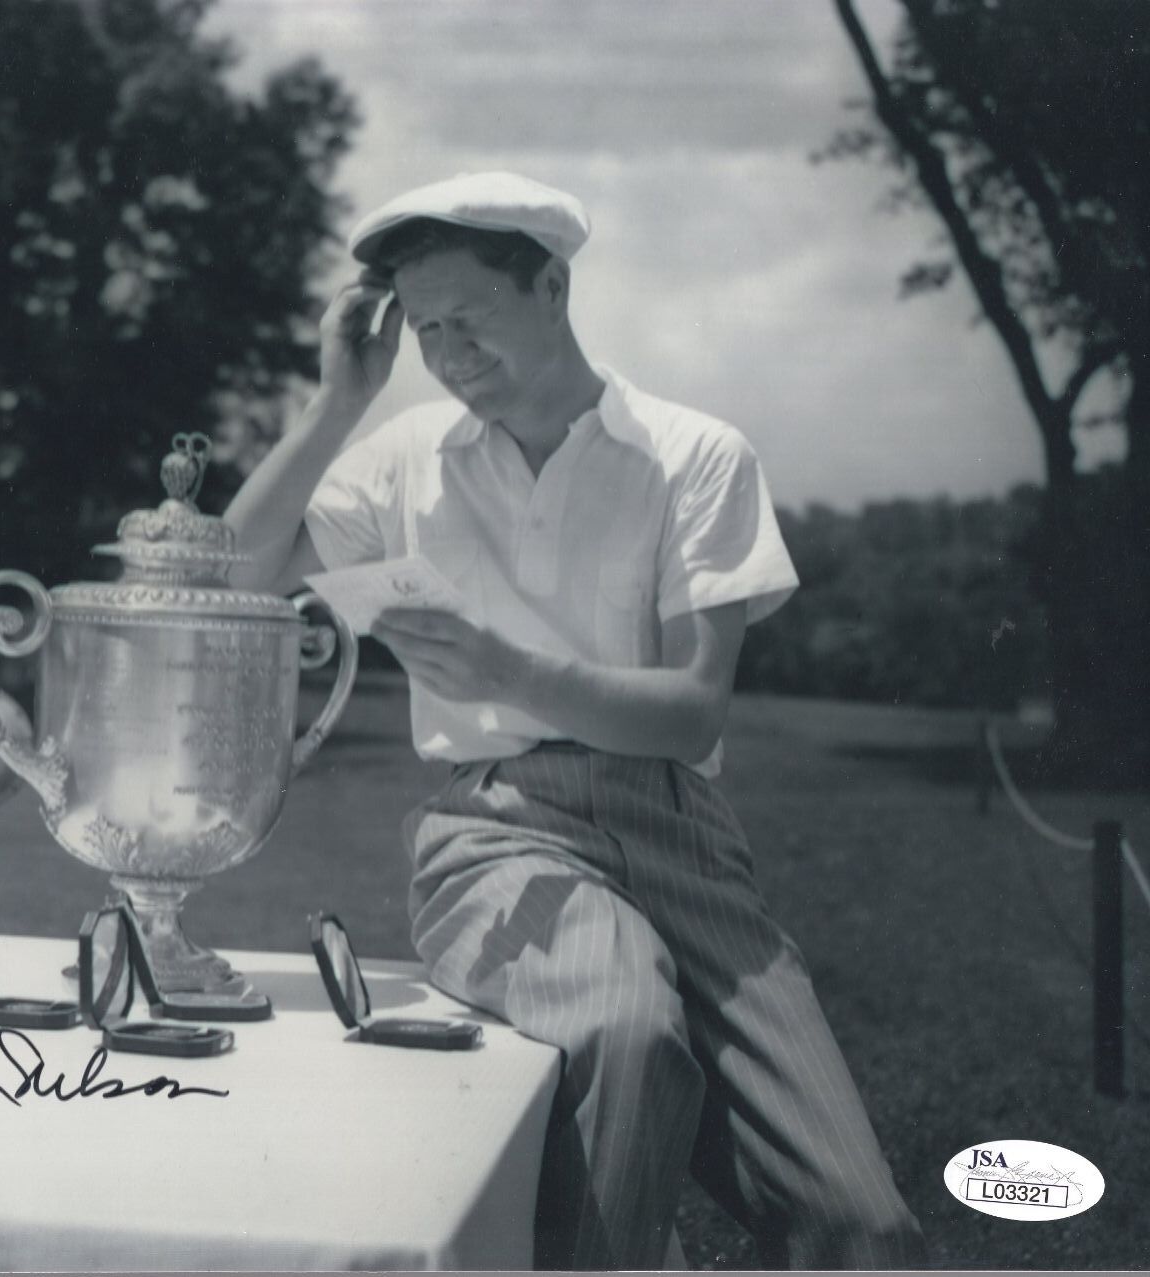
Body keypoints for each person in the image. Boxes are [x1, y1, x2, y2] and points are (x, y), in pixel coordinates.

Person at [224, 171, 925, 1270]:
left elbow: (691, 716)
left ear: (550, 284)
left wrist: (507, 665)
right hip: (496, 832)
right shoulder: (404, 457)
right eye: (423, 330)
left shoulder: (694, 455)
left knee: (862, 1221)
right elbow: (230, 574)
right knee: (626, 1027)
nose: (448, 356)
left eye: (469, 319)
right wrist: (337, 402)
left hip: (679, 834)